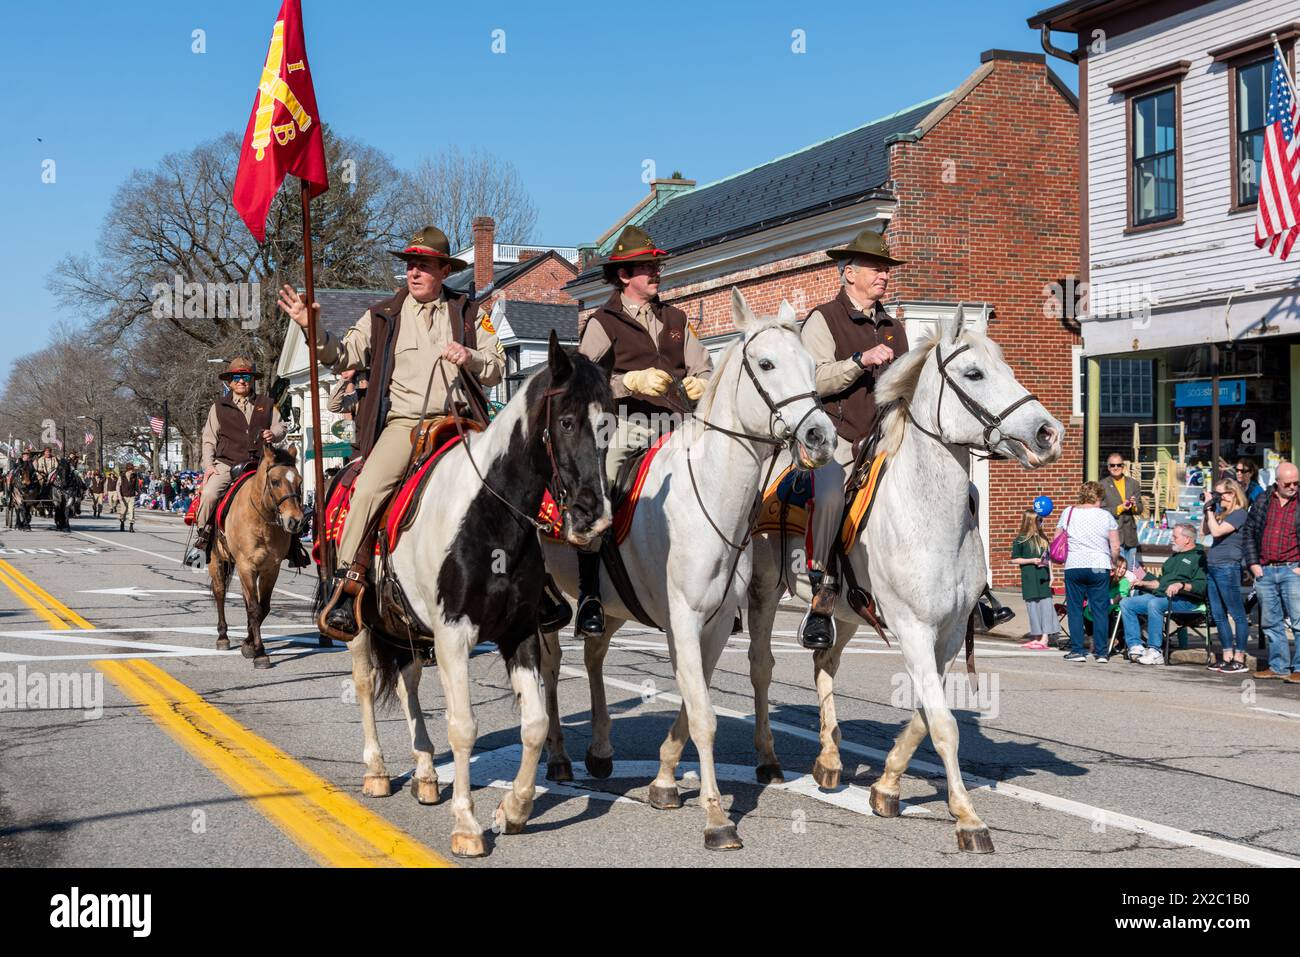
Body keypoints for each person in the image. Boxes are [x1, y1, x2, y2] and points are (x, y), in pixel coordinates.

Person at [281, 225, 505, 639]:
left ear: (443, 270)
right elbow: (342, 355)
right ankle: (348, 585)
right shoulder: (382, 315)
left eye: (423, 265)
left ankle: (531, 584)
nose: (414, 273)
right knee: (368, 489)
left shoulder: (475, 314)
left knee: (515, 484)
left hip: (463, 422)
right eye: (409, 266)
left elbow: (497, 367)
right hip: (405, 425)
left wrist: (471, 355)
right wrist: (312, 329)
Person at [573, 224, 713, 637]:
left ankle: (720, 587)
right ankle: (590, 593)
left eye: (657, 267)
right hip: (627, 424)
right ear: (623, 274)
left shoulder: (676, 319)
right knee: (605, 479)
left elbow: (703, 366)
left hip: (679, 424)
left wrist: (702, 382)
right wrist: (627, 383)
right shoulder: (603, 322)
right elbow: (582, 383)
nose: (656, 273)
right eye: (647, 268)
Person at [795, 229, 910, 647]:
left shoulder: (894, 326)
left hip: (886, 437)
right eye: (876, 268)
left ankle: (972, 589)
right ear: (849, 274)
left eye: (886, 269)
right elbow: (813, 380)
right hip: (838, 435)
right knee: (828, 496)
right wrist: (860, 361)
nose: (883, 275)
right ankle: (821, 593)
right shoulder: (824, 318)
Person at [184, 358, 289, 566]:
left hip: (261, 464)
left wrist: (273, 433)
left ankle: (292, 545)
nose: (242, 381)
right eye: (237, 378)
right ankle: (204, 540)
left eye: (246, 377)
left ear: (252, 380)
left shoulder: (266, 403)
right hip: (228, 464)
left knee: (288, 491)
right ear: (230, 382)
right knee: (209, 494)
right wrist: (209, 466)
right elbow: (208, 439)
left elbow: (282, 427)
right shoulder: (219, 407)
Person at [1241, 460, 1300, 682]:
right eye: (1288, 483)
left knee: (1298, 622)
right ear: (1277, 483)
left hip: (1292, 569)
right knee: (1270, 622)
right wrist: (1254, 565)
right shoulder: (1264, 499)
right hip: (1265, 570)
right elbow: (1248, 532)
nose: (1293, 487)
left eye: (1296, 483)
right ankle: (1278, 666)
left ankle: (1299, 668)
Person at [1119, 523, 1207, 665]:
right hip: (1163, 597)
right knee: (1127, 603)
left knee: (1155, 604)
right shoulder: (1174, 557)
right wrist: (1142, 583)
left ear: (1187, 539)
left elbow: (1202, 586)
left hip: (1186, 601)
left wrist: (1181, 585)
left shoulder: (1199, 558)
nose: (1171, 539)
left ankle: (1155, 651)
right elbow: (1160, 584)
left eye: (1175, 536)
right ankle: (1136, 646)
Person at [1058, 481, 1121, 662]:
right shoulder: (1106, 516)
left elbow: (1057, 538)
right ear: (1098, 497)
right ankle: (1101, 652)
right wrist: (1114, 562)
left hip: (1074, 565)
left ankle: (1078, 650)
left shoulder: (1068, 512)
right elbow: (1115, 545)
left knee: (1075, 609)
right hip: (1099, 565)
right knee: (1100, 610)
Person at [1201, 477, 1251, 673]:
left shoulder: (1239, 514)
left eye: (1219, 494)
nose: (1217, 497)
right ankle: (1226, 655)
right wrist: (1208, 510)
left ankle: (1239, 656)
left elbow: (1216, 532)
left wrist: (1209, 511)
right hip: (1213, 567)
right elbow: (1204, 531)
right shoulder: (1221, 513)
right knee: (1219, 615)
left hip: (1228, 568)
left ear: (1232, 494)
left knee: (1237, 614)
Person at [1011, 507, 1057, 649]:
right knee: (1033, 608)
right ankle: (1036, 636)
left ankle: (1045, 638)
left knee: (1046, 606)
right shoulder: (1020, 540)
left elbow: (1048, 559)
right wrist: (1031, 560)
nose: (1041, 522)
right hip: (1029, 577)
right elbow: (1015, 559)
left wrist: (1052, 575)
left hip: (1043, 577)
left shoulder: (1043, 538)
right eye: (1039, 520)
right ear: (1030, 521)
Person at [118, 463, 140, 532]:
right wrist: (119, 495)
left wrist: (137, 491)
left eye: (132, 469)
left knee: (131, 510)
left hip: (131, 496)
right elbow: (118, 486)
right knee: (123, 511)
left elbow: (137, 485)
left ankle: (131, 525)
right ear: (128, 469)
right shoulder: (122, 476)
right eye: (131, 469)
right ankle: (122, 522)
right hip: (124, 496)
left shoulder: (135, 476)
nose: (132, 471)